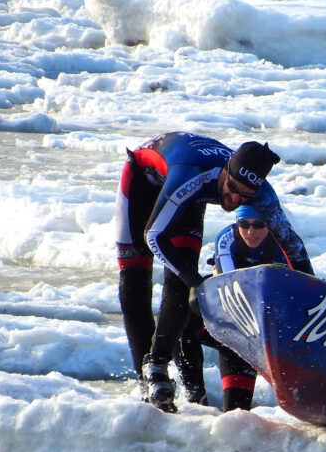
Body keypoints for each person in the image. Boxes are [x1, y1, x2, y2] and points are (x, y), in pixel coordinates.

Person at [115, 132, 314, 413]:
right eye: (232, 187)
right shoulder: (194, 175)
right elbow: (154, 235)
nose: (233, 198)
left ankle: (176, 386)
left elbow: (295, 249)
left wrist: (313, 298)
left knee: (181, 282)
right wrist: (195, 281)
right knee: (135, 284)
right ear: (226, 170)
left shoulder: (263, 195)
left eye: (244, 196)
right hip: (144, 182)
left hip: (187, 196)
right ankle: (152, 375)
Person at [185, 204, 291, 412]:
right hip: (229, 319)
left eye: (259, 225)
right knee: (184, 315)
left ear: (269, 224)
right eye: (244, 224)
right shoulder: (227, 238)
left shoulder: (284, 242)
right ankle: (195, 393)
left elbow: (295, 289)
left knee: (236, 415)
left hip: (255, 334)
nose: (251, 232)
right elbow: (229, 283)